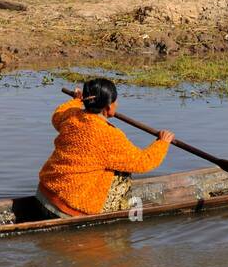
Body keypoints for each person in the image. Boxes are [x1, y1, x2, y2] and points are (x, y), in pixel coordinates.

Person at [36, 78, 174, 218]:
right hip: (69, 206)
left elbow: (57, 115)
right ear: (108, 107)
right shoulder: (109, 135)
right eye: (115, 101)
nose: (117, 104)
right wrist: (162, 142)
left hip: (44, 192)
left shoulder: (71, 116)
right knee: (122, 171)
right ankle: (115, 212)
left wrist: (76, 101)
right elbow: (143, 162)